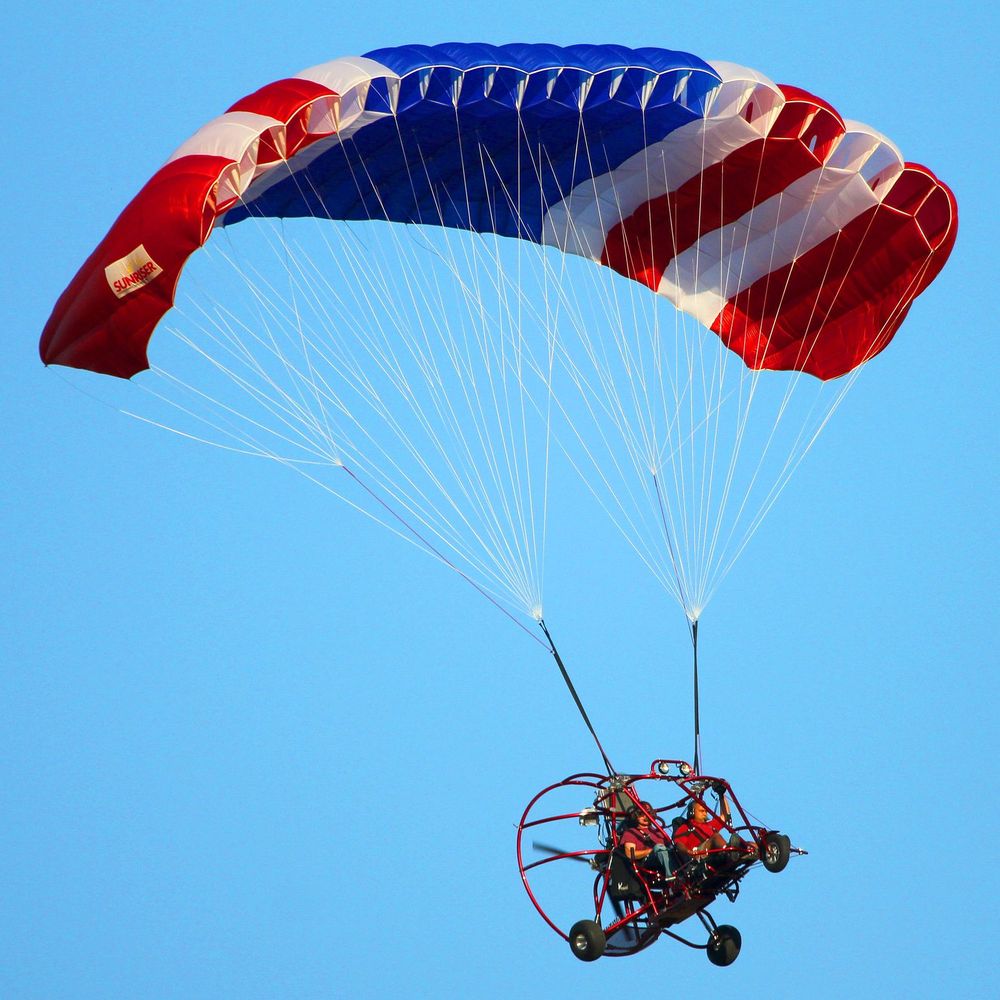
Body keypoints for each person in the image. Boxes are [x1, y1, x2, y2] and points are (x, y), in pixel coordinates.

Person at [673, 791, 732, 862]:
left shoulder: (710, 825)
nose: (705, 813)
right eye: (701, 811)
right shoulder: (685, 827)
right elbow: (679, 844)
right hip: (698, 854)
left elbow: (725, 816)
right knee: (716, 837)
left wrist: (721, 794)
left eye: (706, 811)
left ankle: (743, 851)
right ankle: (729, 852)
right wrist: (688, 852)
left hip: (714, 852)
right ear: (692, 812)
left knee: (745, 843)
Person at [620, 802, 674, 879]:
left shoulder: (659, 832)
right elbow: (630, 854)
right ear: (636, 816)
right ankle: (672, 877)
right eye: (641, 814)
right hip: (647, 863)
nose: (645, 816)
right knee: (659, 848)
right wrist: (650, 851)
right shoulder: (631, 833)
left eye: (647, 813)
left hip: (666, 858)